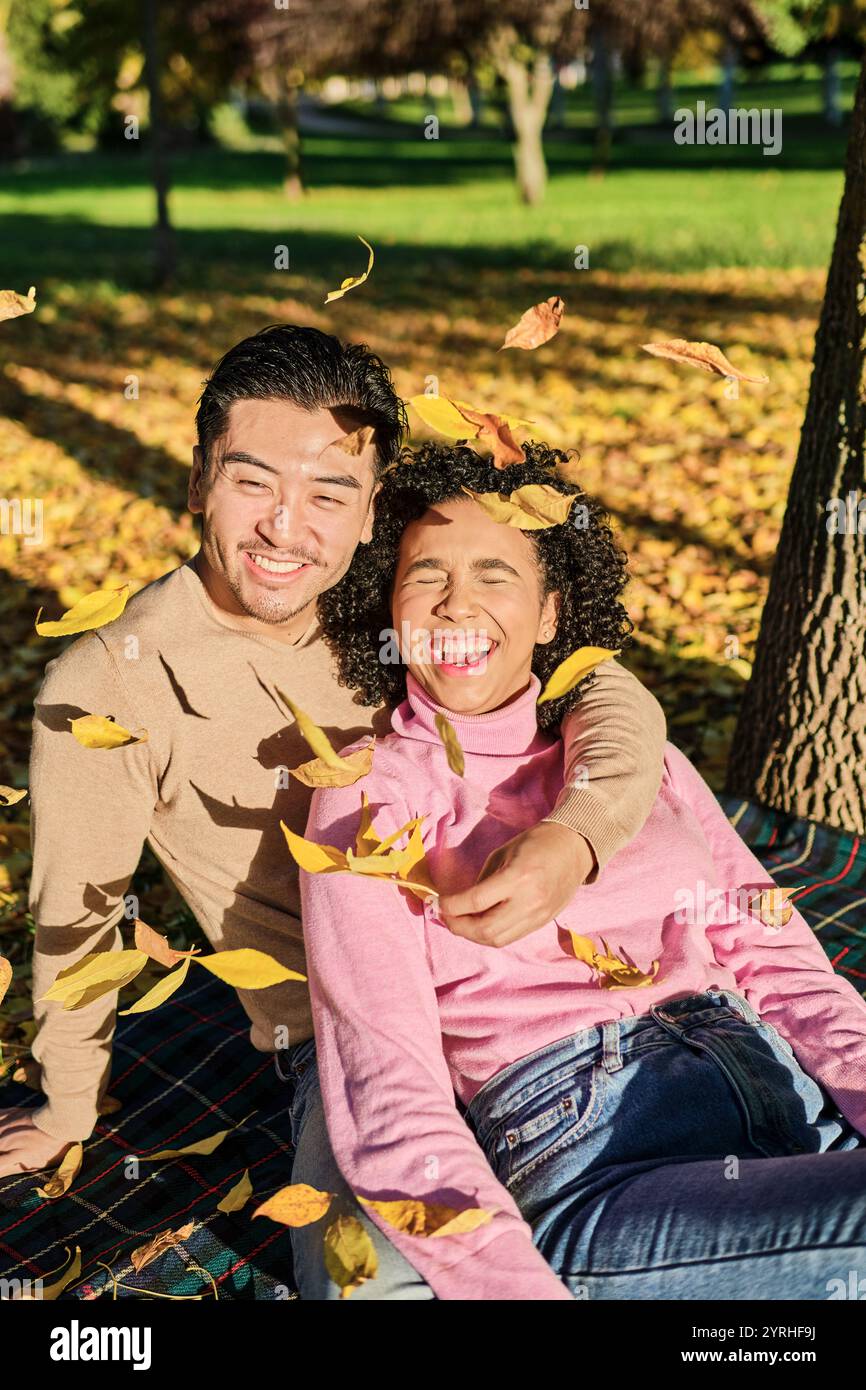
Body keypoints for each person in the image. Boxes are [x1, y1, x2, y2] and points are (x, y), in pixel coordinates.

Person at [0, 327, 668, 1300]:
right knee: (376, 1282)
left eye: (328, 494)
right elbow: (78, 911)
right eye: (251, 482)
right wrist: (64, 1102)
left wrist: (577, 832)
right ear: (197, 481)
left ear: (368, 513)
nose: (285, 528)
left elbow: (605, 690)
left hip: (546, 983)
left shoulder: (398, 594)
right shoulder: (108, 685)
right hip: (355, 1034)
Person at [296, 439, 866, 1301]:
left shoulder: (633, 764)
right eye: (425, 575)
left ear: (552, 613)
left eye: (495, 573)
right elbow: (388, 1085)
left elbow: (784, 964)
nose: (457, 602)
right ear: (389, 607)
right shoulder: (368, 795)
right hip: (605, 1165)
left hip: (787, 1103)